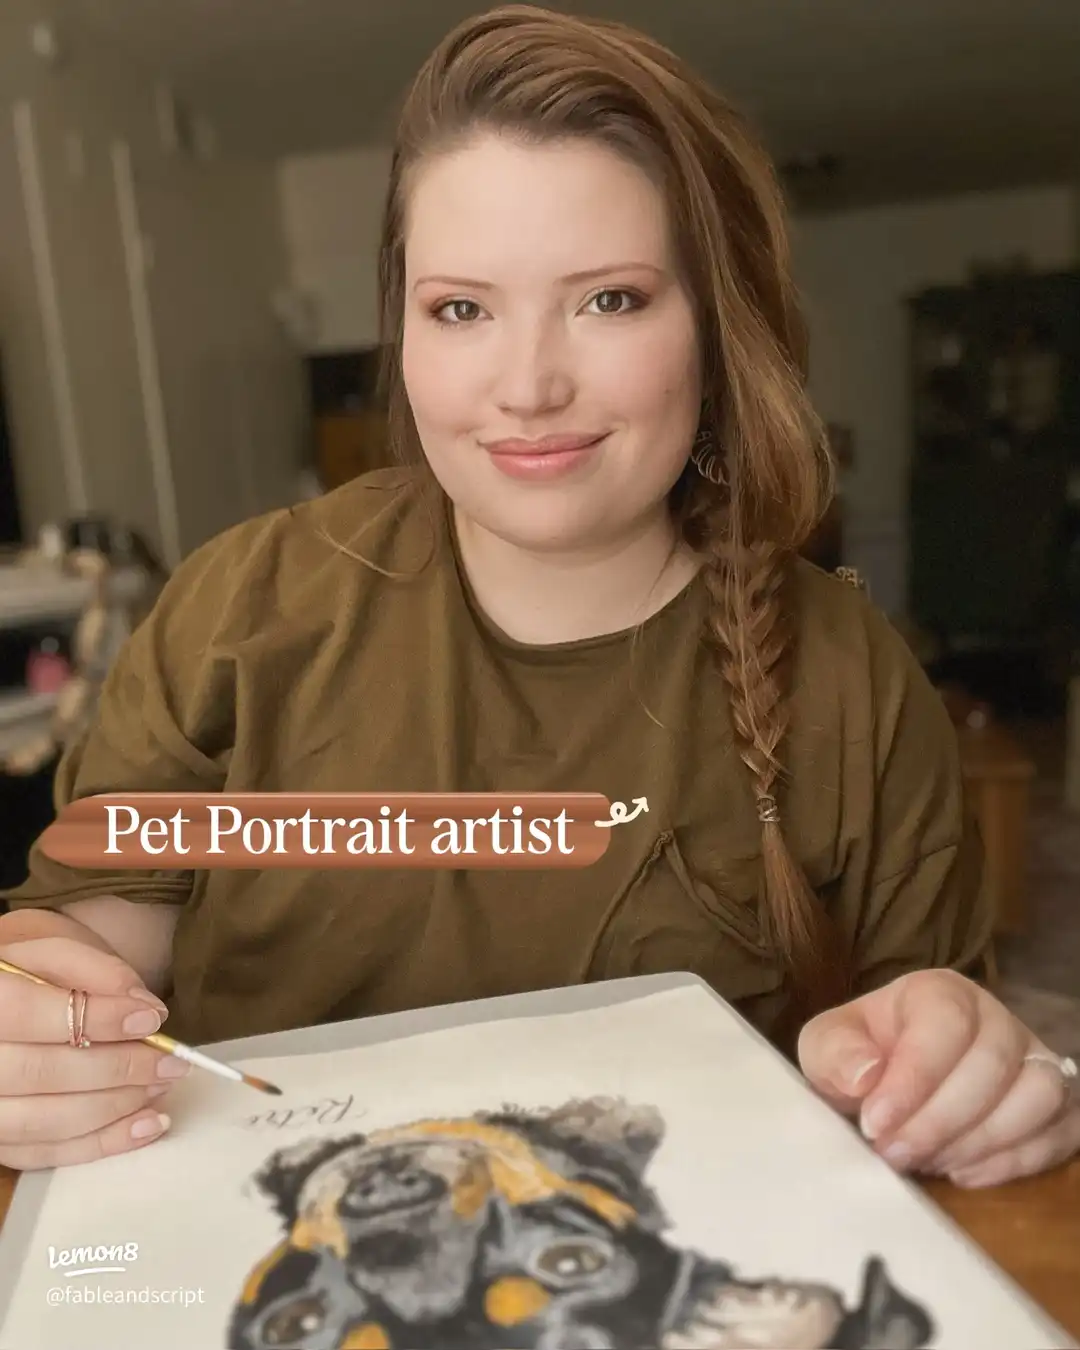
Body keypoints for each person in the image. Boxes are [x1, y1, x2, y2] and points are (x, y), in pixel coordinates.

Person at [0, 4, 1076, 1188]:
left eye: (610, 299)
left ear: (716, 328)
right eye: (461, 308)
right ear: (405, 333)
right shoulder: (241, 606)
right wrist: (36, 1022)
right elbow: (88, 948)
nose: (527, 385)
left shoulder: (849, 677)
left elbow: (939, 1043)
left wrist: (967, 1074)